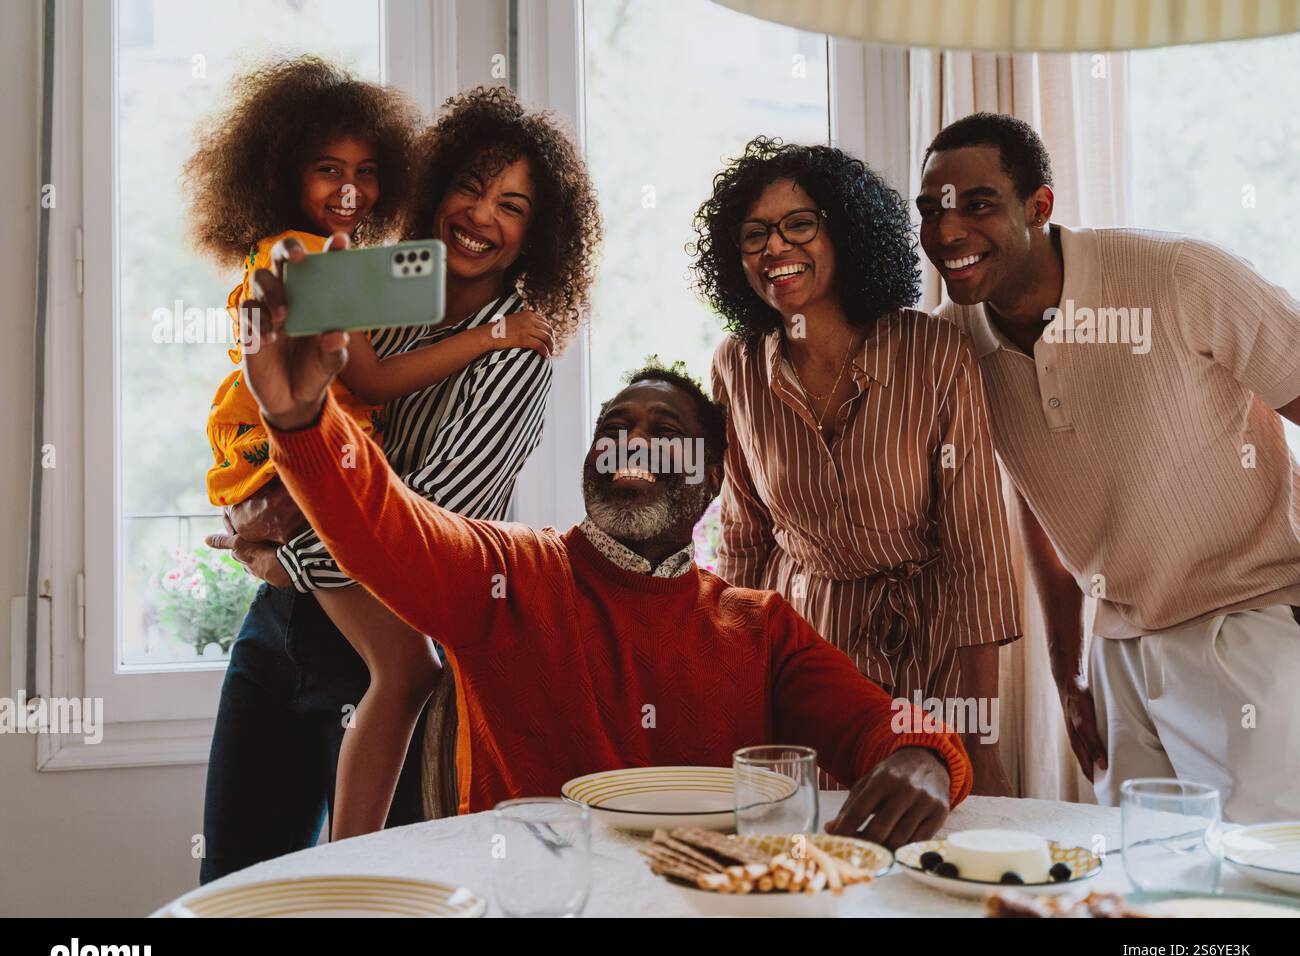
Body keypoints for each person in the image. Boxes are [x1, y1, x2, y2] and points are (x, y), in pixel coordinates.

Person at [234, 244, 974, 845]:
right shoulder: (507, 575)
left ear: (710, 478)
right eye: (614, 427)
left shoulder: (761, 628)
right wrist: (302, 421)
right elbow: (383, 525)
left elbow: (881, 721)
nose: (632, 442)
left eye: (664, 431)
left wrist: (923, 757)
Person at [198, 86, 602, 880]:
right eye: (470, 187)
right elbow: (293, 405)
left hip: (376, 633)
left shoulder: (517, 354)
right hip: (277, 627)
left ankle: (346, 866)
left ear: (537, 236)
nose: (482, 215)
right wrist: (264, 527)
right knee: (234, 885)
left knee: (365, 893)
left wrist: (280, 551)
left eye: (512, 206)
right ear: (434, 186)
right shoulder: (377, 292)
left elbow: (421, 528)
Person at [919, 112, 1300, 822]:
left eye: (977, 204)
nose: (947, 232)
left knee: (1263, 890)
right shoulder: (951, 344)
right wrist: (1068, 662)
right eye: (931, 210)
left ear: (1040, 206)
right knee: (1143, 891)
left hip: (1254, 634)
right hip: (1121, 651)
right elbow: (1039, 493)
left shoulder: (1178, 274)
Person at [695, 139, 1020, 795]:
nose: (774, 248)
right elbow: (744, 543)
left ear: (844, 231)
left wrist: (979, 741)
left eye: (799, 225)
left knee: (925, 853)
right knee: (812, 862)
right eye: (754, 234)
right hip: (800, 658)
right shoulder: (736, 365)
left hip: (928, 653)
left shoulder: (933, 352)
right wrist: (726, 703)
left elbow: (975, 553)